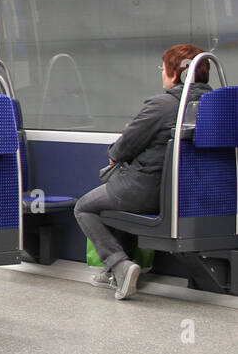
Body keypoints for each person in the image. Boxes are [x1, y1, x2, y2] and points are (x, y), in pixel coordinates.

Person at [74, 44, 212, 301]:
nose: (162, 73)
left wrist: (115, 153)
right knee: (114, 201)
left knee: (85, 207)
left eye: (164, 68)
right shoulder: (213, 106)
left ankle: (119, 265)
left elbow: (123, 148)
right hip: (193, 193)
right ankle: (114, 271)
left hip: (146, 191)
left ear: (176, 73)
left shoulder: (163, 105)